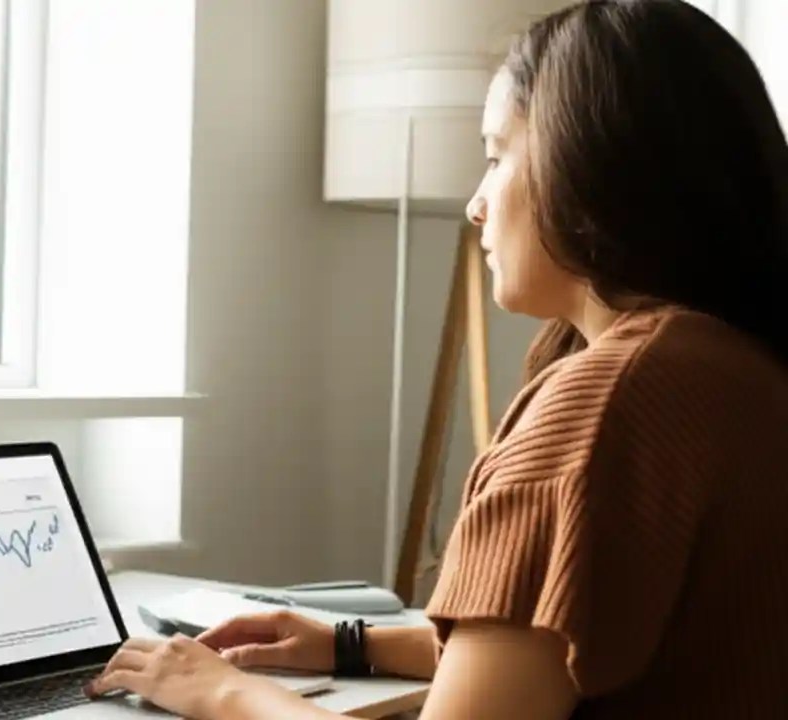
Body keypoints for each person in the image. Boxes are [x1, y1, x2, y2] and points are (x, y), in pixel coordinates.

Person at [83, 0, 788, 717]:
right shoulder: (736, 371)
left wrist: (223, 691)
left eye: (495, 155)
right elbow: (580, 639)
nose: (476, 205)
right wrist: (351, 641)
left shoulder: (605, 403)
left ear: (587, 159)